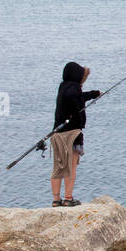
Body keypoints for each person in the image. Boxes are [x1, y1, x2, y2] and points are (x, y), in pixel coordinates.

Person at [50, 61, 100, 207]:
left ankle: (56, 199)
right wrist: (78, 110)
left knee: (58, 167)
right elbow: (76, 98)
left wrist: (92, 94)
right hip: (72, 134)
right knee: (71, 167)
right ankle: (68, 198)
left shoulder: (63, 86)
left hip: (57, 133)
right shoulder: (74, 89)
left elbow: (77, 96)